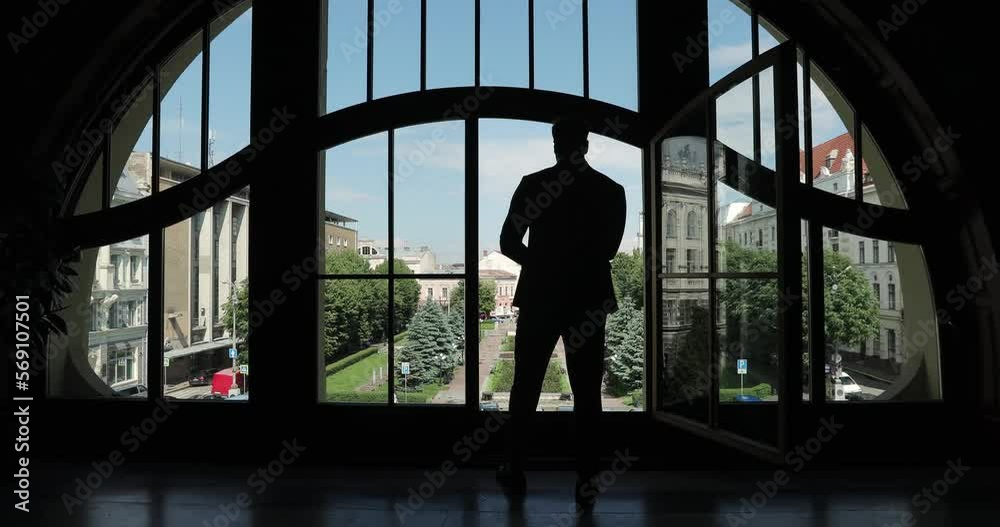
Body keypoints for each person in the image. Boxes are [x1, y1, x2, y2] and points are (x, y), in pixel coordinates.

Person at [495, 116, 627, 507]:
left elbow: (508, 241)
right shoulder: (611, 190)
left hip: (541, 296)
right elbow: (608, 250)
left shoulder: (533, 184)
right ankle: (586, 478)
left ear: (555, 145)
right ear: (585, 145)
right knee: (588, 393)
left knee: (526, 385)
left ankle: (514, 468)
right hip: (588, 297)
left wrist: (541, 265)